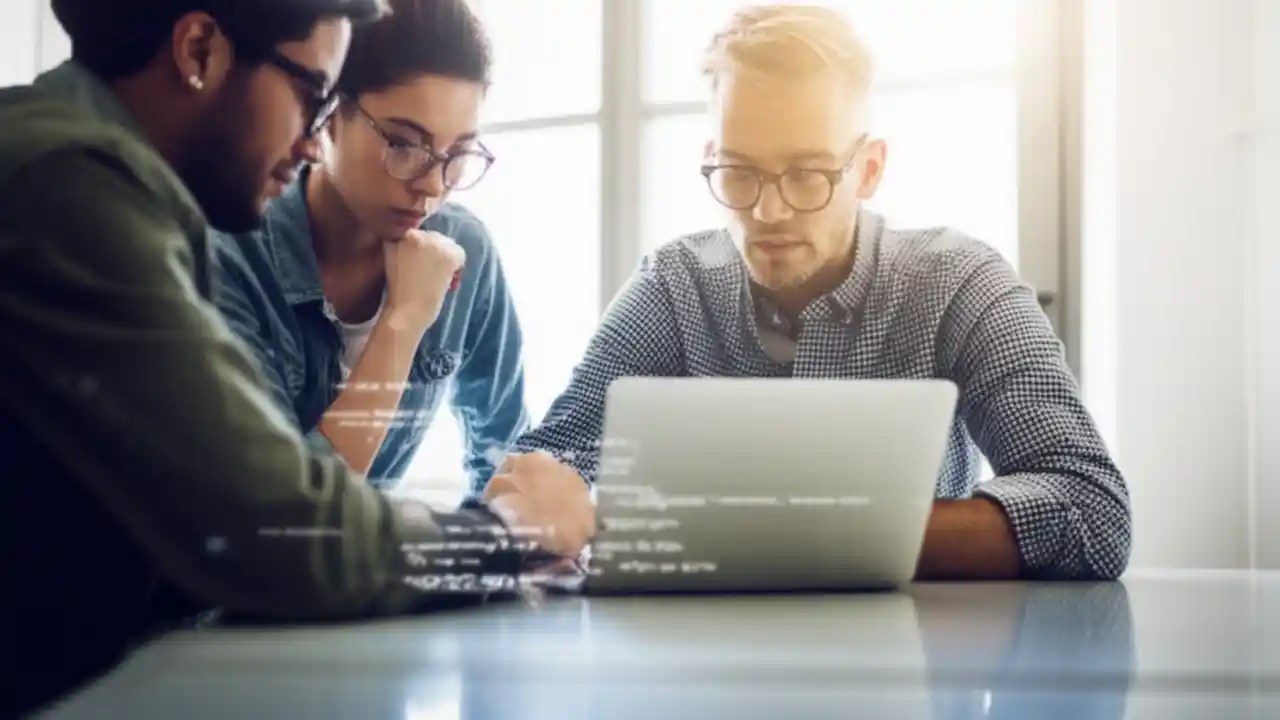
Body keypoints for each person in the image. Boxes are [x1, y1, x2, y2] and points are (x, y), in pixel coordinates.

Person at [0, 1, 592, 715]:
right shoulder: (69, 188)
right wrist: (508, 533)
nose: (311, 143)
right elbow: (278, 528)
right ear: (197, 50)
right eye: (313, 96)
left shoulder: (90, 175)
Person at [511, 4, 1130, 581]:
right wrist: (552, 505)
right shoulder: (673, 287)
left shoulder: (959, 282)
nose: (769, 210)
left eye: (807, 173)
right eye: (739, 171)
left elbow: (1093, 510)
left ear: (868, 169)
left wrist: (801, 533)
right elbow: (539, 475)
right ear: (711, 156)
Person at [213, 0, 525, 494]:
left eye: (458, 154)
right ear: (329, 115)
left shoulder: (465, 248)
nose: (432, 187)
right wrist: (402, 323)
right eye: (403, 144)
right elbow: (284, 510)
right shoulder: (232, 253)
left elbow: (504, 458)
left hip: (376, 566)